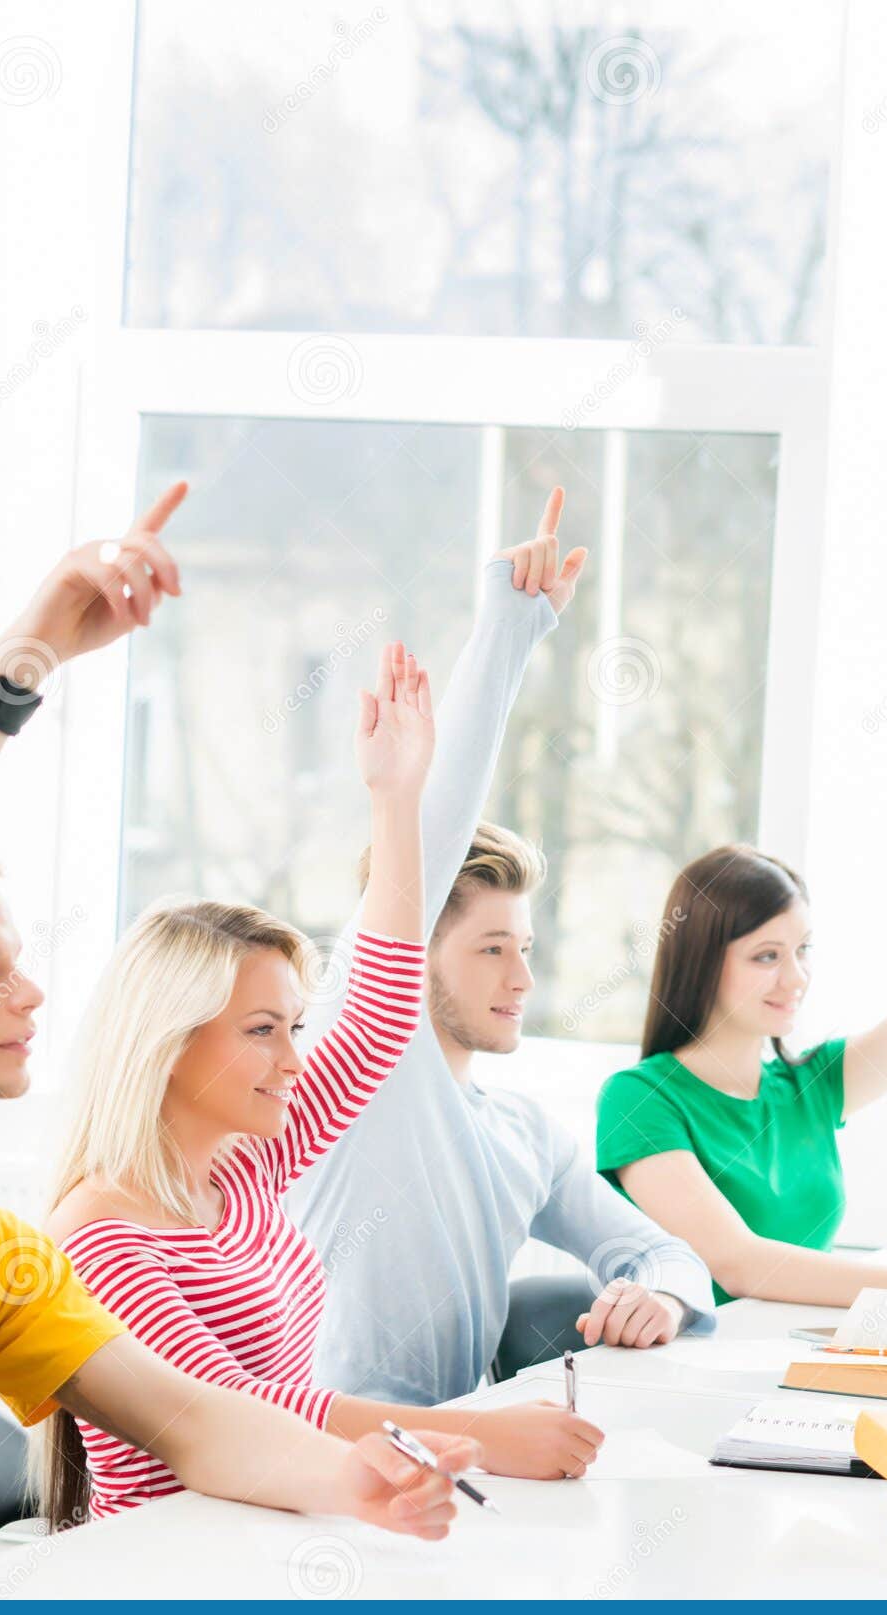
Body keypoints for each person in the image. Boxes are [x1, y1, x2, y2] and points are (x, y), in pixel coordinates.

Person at [0, 489, 477, 1600]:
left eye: (15, 959)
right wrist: (17, 668)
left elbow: (187, 1415)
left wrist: (355, 1481)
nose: (26, 989)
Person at [41, 641, 603, 1516]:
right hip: (169, 1573)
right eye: (262, 1032)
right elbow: (239, 1416)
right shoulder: (102, 1239)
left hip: (277, 1533)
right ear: (168, 1046)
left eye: (294, 1028)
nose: (294, 1061)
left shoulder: (240, 1171)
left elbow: (380, 1018)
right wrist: (485, 1439)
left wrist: (396, 799)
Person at [286, 490, 717, 1406]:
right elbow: (429, 838)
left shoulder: (525, 1135)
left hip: (460, 1471)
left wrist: (663, 1298)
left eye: (524, 946)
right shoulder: (357, 1074)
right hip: (325, 1475)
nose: (522, 978)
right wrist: (508, 634)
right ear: (412, 952)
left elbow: (664, 1253)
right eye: (489, 949)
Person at [596, 655, 887, 1309]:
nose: (795, 976)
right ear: (704, 959)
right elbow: (741, 1265)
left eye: (803, 950)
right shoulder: (639, 1099)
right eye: (766, 955)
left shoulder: (812, 1089)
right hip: (692, 1374)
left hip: (792, 1363)